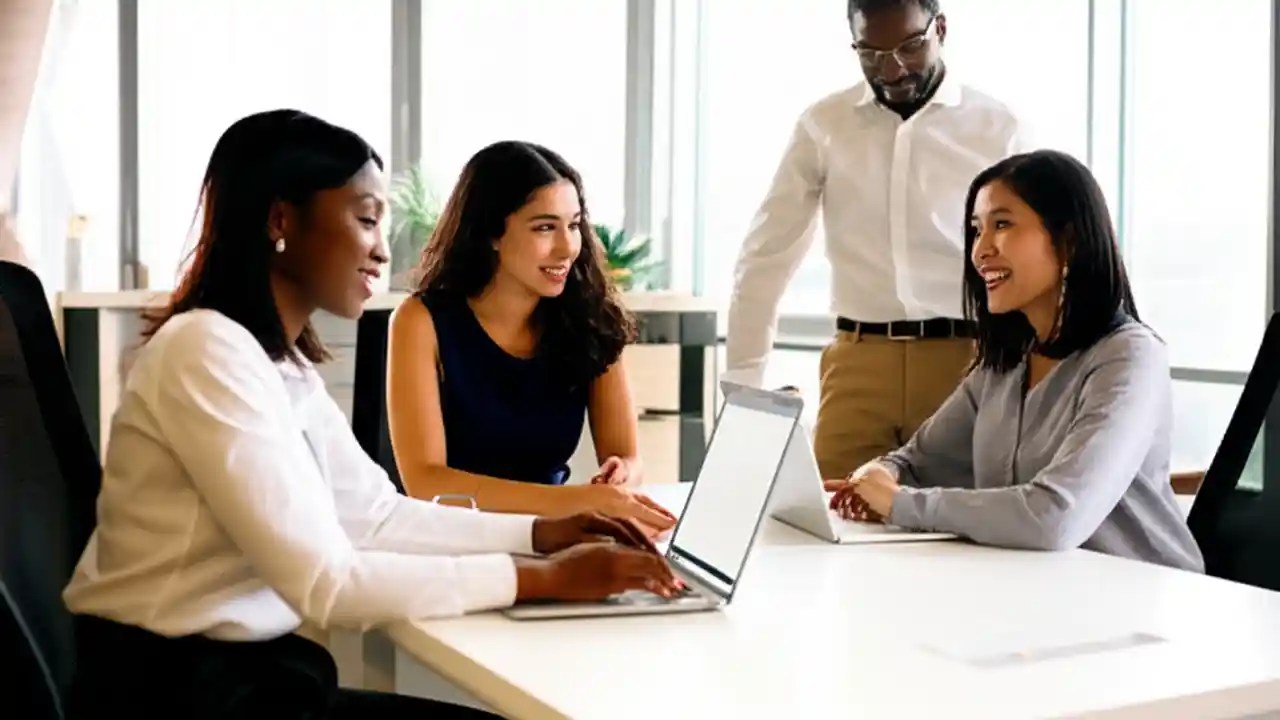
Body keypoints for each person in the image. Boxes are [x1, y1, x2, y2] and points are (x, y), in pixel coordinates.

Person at [62, 110, 682, 719]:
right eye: (365, 220)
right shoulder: (204, 351)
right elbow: (327, 585)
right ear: (281, 220)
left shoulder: (279, 364)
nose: (383, 252)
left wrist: (542, 535)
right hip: (170, 692)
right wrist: (542, 578)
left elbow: (375, 517)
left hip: (252, 679)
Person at [826, 149, 1205, 572]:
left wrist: (900, 503)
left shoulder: (1130, 357)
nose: (980, 250)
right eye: (976, 230)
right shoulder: (1003, 365)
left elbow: (1055, 516)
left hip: (1142, 600)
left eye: (1002, 225)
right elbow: (915, 463)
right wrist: (875, 474)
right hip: (1037, 589)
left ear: (1069, 242)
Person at [723, 0, 1030, 481]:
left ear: (940, 29)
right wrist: (743, 387)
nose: (893, 68)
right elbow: (766, 256)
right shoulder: (823, 125)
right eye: (871, 52)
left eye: (910, 46)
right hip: (858, 363)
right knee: (828, 525)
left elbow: (1035, 258)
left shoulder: (997, 128)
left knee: (960, 532)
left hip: (967, 360)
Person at [386, 140, 675, 536]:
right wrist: (578, 502)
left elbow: (628, 457)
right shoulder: (420, 321)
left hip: (552, 536)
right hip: (448, 540)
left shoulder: (589, 316)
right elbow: (426, 483)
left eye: (573, 225)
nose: (567, 248)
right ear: (491, 233)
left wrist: (622, 475)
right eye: (544, 227)